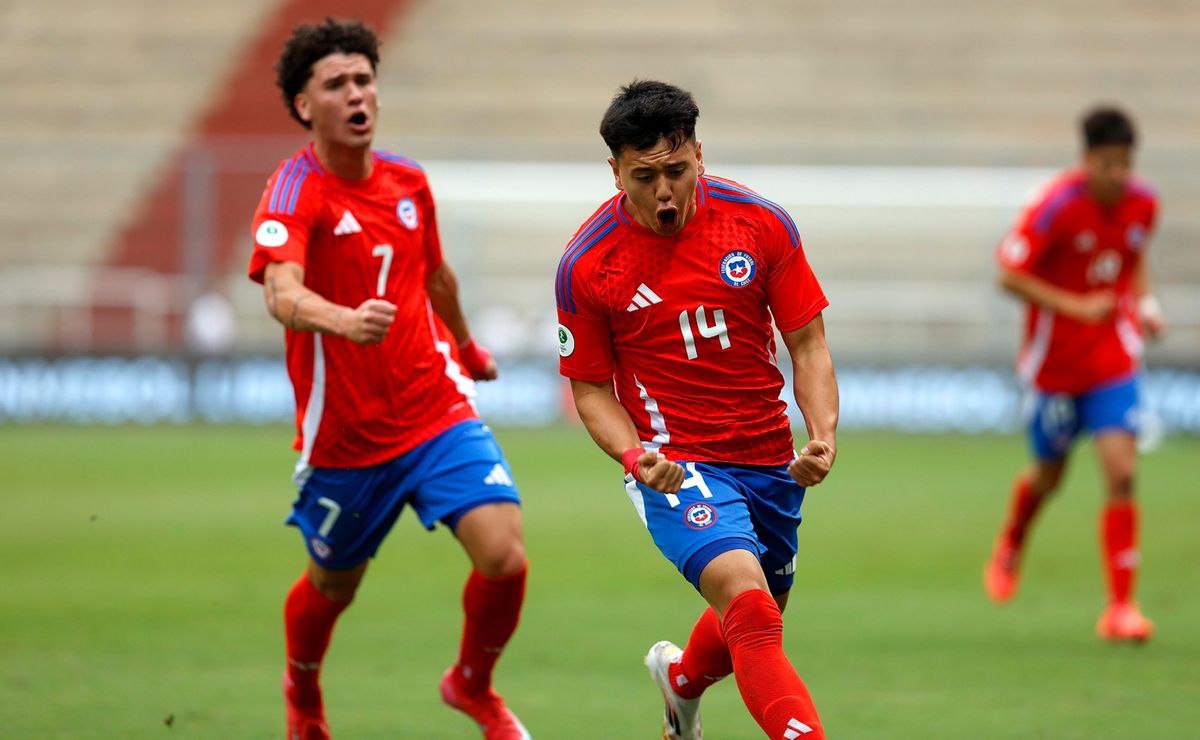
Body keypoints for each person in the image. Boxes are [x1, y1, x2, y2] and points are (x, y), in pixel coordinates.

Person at [247, 19, 531, 739]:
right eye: (336, 84)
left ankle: (472, 685)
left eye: (364, 79)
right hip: (346, 435)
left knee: (504, 553)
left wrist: (465, 348)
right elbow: (280, 292)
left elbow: (435, 275)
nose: (356, 94)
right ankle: (303, 695)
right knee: (332, 586)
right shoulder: (294, 191)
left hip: (434, 406)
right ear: (304, 105)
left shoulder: (409, 182)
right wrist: (343, 321)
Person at [556, 80, 839, 739]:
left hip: (768, 458)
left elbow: (809, 343)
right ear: (615, 170)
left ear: (699, 156)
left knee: (756, 610)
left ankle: (680, 683)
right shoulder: (589, 263)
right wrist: (635, 457)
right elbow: (592, 390)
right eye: (644, 176)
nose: (664, 193)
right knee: (753, 608)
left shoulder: (760, 223)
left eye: (676, 171)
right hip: (676, 464)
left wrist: (821, 433)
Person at [986, 105, 1167, 642]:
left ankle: (1120, 609)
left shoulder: (1143, 204)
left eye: (1125, 164)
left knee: (1122, 473)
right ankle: (1013, 539)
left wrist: (1147, 303)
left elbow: (1133, 257)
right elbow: (1009, 275)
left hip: (1113, 360)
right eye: (1108, 163)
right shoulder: (1055, 207)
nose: (1117, 175)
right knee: (1049, 475)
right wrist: (1075, 305)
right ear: (1087, 159)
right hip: (1055, 370)